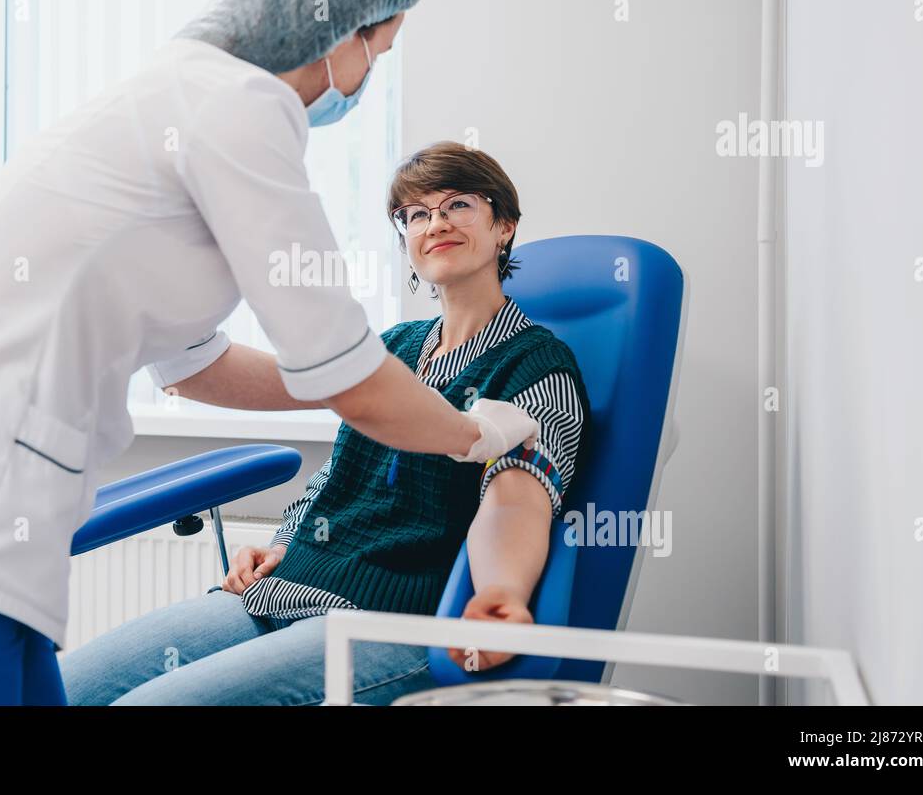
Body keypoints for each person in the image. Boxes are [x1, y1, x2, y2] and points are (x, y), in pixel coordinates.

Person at [0, 0, 542, 704]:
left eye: (460, 206)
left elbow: (202, 365)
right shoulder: (239, 108)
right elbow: (347, 384)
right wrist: (473, 430)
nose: (367, 76)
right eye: (377, 50)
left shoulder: (171, 102)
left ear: (506, 227)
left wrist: (404, 404)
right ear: (340, 28)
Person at [58, 142, 590, 705]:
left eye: (457, 205)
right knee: (60, 688)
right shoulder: (391, 350)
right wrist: (282, 543)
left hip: (389, 616)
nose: (435, 223)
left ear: (503, 225)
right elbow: (337, 479)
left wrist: (501, 593)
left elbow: (515, 497)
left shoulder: (535, 365)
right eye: (415, 214)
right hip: (286, 588)